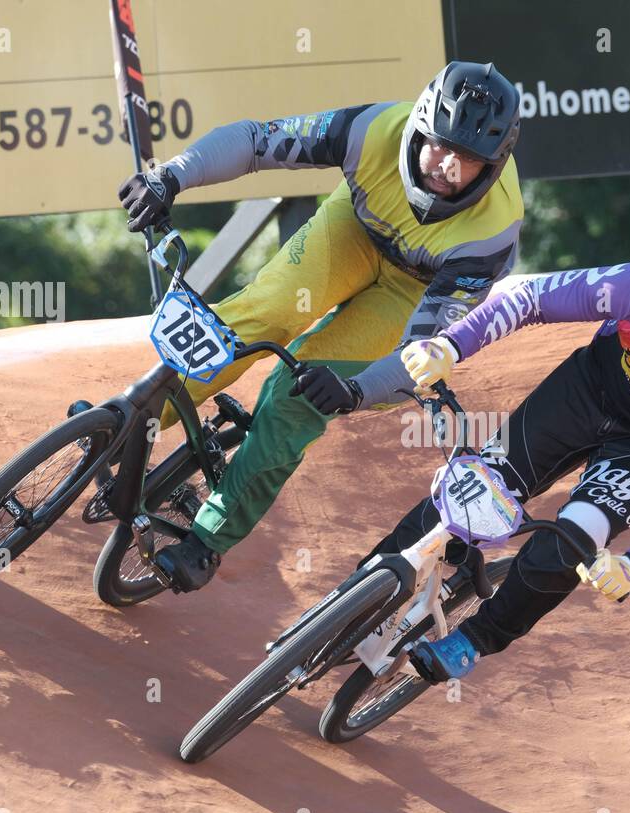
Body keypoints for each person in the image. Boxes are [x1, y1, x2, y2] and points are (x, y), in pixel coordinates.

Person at [318, 217, 630, 682]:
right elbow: (532, 298)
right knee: (472, 494)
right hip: (588, 391)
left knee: (572, 542)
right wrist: (450, 346)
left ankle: (474, 639)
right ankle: (355, 599)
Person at [116, 62, 523, 592]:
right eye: (441, 145)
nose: (447, 166)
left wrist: (353, 391)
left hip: (414, 292)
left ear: (493, 167)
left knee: (296, 395)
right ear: (419, 127)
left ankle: (208, 541)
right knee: (268, 311)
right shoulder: (372, 131)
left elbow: (422, 353)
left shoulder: (490, 234)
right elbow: (256, 142)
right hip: (354, 229)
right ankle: (137, 420)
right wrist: (170, 176)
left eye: (468, 160)